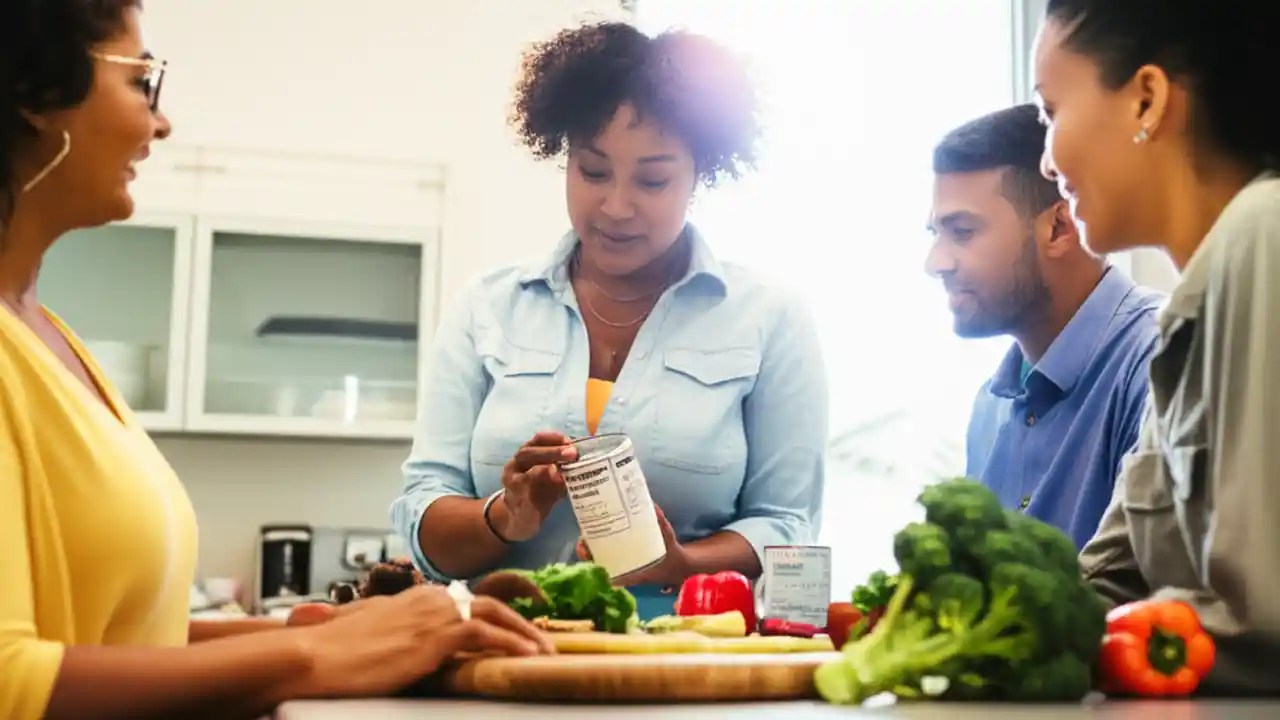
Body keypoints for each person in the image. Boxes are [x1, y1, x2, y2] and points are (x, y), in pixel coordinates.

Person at [0, 3, 550, 718]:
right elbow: (12, 679)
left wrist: (324, 629)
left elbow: (124, 640)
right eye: (142, 82)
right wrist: (317, 656)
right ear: (35, 95)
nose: (160, 124)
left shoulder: (49, 337)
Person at [390, 21, 828, 620]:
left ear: (699, 174)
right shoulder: (486, 307)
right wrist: (503, 517)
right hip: (504, 662)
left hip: (686, 669)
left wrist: (684, 564)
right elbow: (423, 511)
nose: (617, 206)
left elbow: (789, 523)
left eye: (653, 180)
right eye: (593, 171)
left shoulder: (768, 318)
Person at [1035, 0, 1280, 694]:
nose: (1047, 162)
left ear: (1146, 98)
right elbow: (1104, 582)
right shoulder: (1182, 317)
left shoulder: (1263, 234)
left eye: (1052, 113)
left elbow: (1261, 622)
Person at [926, 104, 1163, 549]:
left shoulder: (1161, 364)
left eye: (962, 231)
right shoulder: (990, 406)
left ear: (1058, 228)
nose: (935, 263)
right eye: (935, 234)